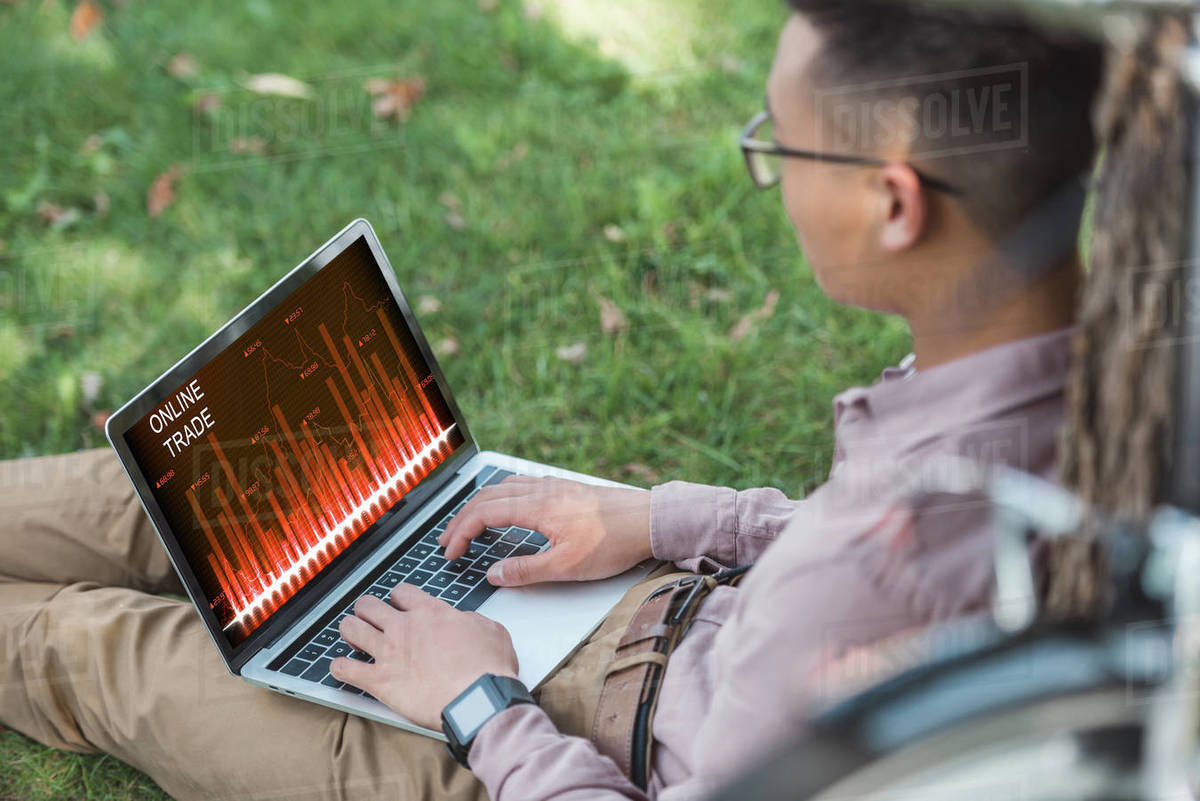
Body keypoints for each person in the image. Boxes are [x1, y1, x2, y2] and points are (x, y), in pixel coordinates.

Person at [0, 2, 1102, 799]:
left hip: (535, 759)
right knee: (204, 494)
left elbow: (868, 569)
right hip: (666, 606)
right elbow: (896, 556)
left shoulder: (866, 563)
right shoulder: (1089, 396)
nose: (772, 176)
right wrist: (657, 518)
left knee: (96, 645)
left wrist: (480, 705)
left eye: (781, 145)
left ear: (893, 201)